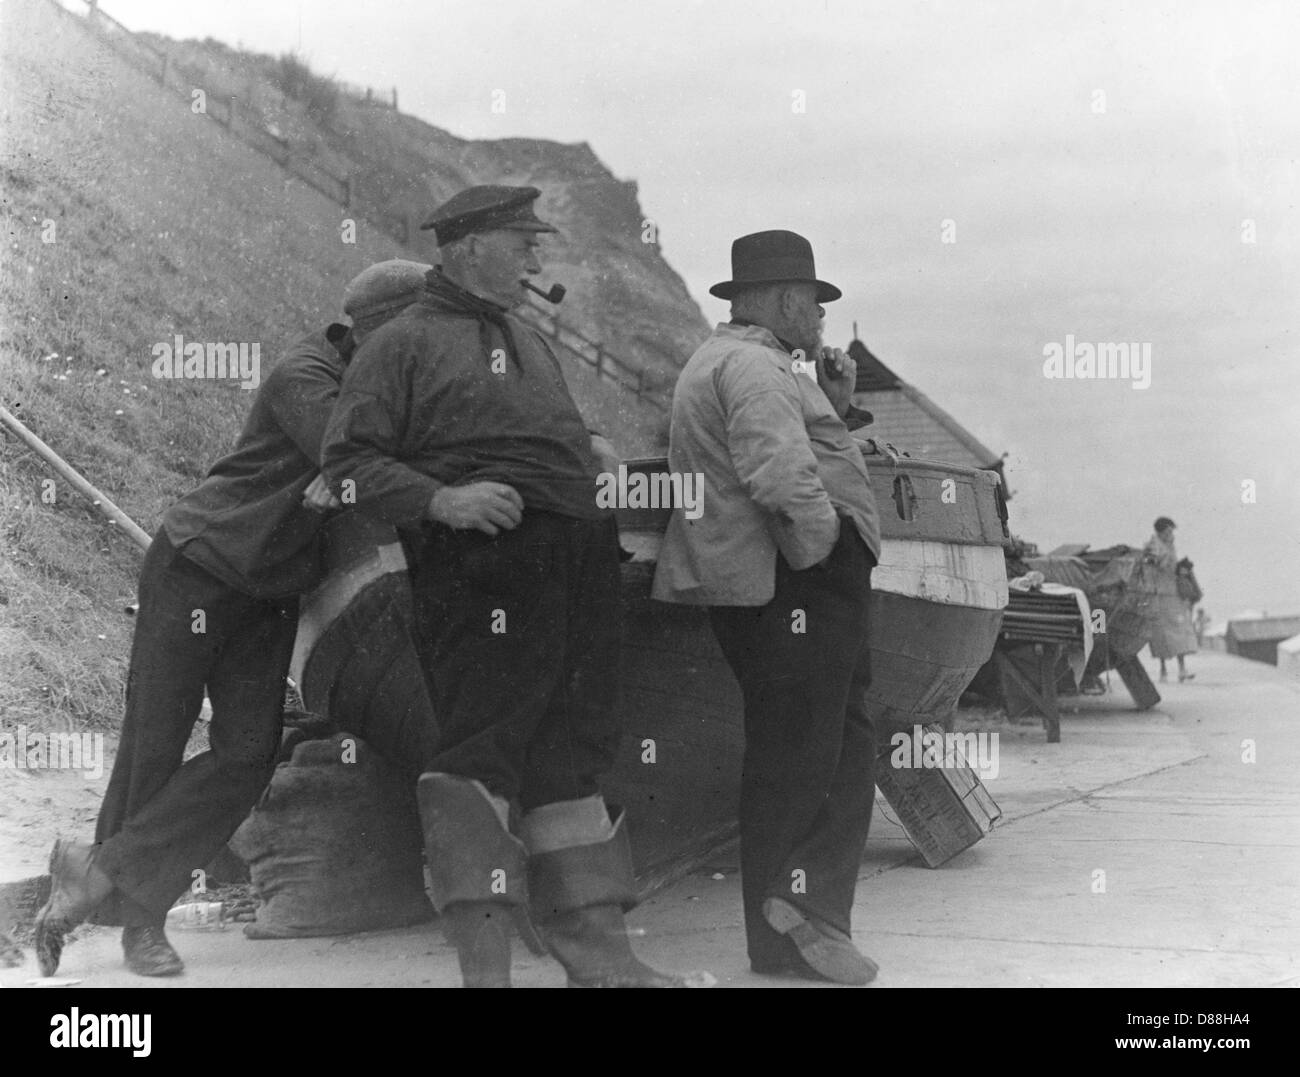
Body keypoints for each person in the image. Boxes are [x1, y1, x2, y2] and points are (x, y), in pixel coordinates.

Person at [320, 185, 691, 989]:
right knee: (482, 751)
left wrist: (588, 446)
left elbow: (545, 430)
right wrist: (441, 500)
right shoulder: (401, 343)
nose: (535, 255)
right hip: (484, 564)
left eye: (536, 240)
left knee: (575, 749)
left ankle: (602, 959)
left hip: (577, 558)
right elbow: (347, 463)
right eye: (519, 239)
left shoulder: (526, 335)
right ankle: (487, 973)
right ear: (465, 247)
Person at [33, 260, 433, 978]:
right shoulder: (302, 373)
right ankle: (139, 929)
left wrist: (355, 469)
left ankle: (93, 869)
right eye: (415, 335)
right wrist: (350, 468)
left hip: (271, 589)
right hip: (200, 565)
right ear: (377, 329)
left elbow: (367, 463)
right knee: (153, 745)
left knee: (248, 755)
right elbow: (356, 459)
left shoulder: (372, 381)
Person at [652, 229, 883, 985]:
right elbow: (780, 477)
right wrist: (831, 556)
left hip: (761, 583)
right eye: (815, 306)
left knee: (792, 751)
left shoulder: (727, 360)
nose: (819, 321)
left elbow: (791, 452)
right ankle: (805, 910)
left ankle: (781, 937)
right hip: (797, 582)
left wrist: (835, 408)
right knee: (832, 750)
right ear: (789, 300)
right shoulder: (757, 368)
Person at [1144, 516, 1198, 682]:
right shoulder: (1152, 546)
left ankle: (1182, 669)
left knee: (1180, 630)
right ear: (1160, 532)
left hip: (1173, 594)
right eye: (1168, 531)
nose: (1171, 534)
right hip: (1158, 595)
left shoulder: (1170, 545)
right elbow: (1151, 565)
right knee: (1161, 634)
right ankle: (1163, 670)